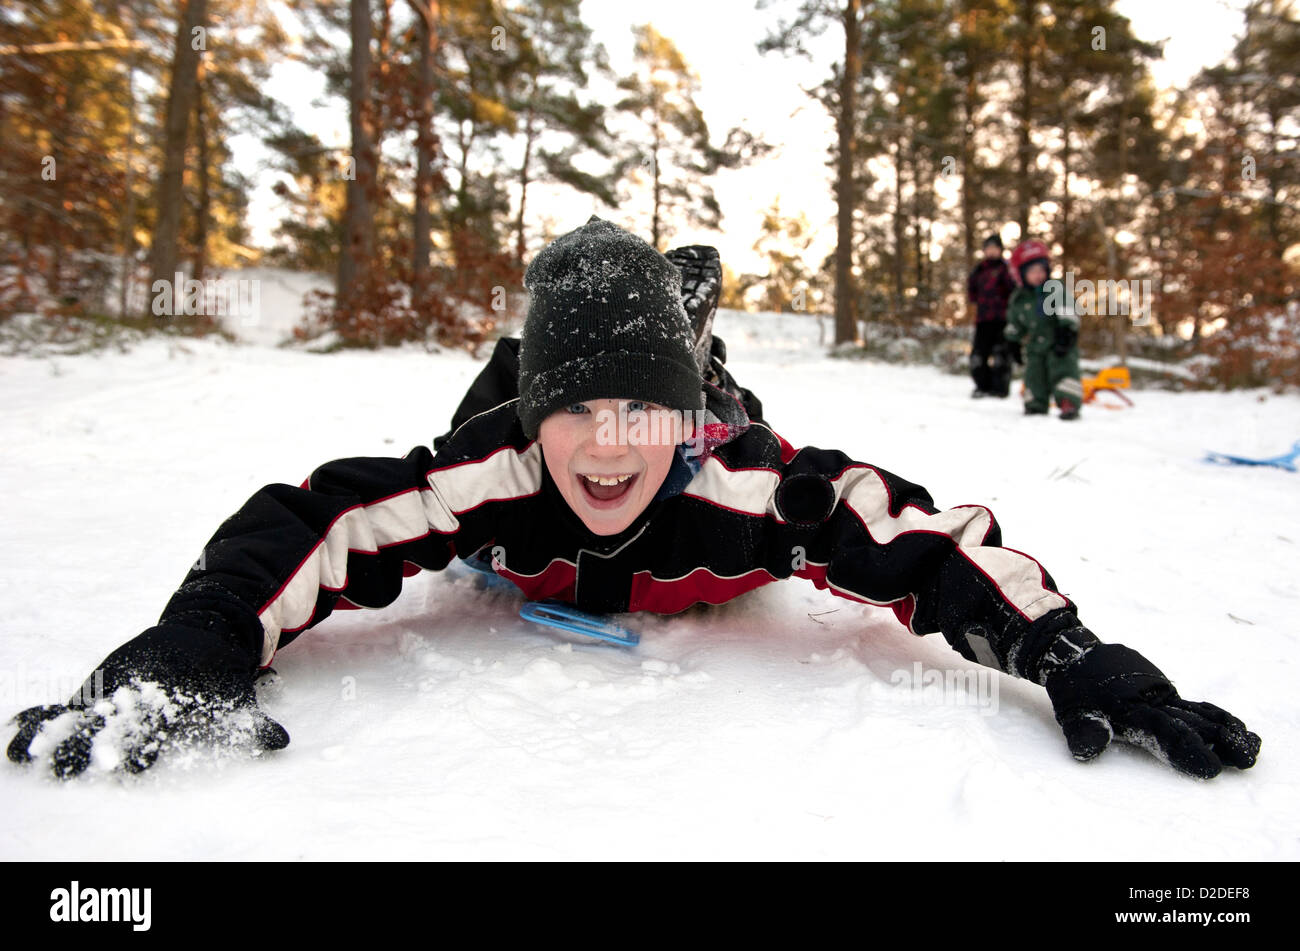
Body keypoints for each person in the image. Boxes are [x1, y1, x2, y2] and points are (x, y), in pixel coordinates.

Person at [7, 217, 1260, 781]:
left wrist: (1075, 656)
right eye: (578, 421)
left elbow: (923, 544)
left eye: (640, 420)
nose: (608, 449)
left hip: (704, 391)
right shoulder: (494, 465)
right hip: (510, 399)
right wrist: (205, 633)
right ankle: (592, 303)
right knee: (494, 389)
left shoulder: (746, 482)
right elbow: (316, 521)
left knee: (695, 379)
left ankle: (682, 313)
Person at [1004, 239, 1084, 420]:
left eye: (1041, 270)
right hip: (1035, 345)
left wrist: (1068, 331)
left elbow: (1068, 309)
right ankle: (1035, 404)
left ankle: (1068, 402)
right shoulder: (1019, 299)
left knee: (1064, 371)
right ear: (1021, 275)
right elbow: (1014, 323)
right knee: (1034, 375)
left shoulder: (1054, 289)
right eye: (1032, 271)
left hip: (1059, 340)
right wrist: (1012, 342)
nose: (1038, 275)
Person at [966, 234, 1016, 398]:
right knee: (978, 355)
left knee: (1002, 354)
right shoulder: (979, 269)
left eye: (995, 248)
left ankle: (1000, 388)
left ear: (1000, 250)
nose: (992, 252)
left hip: (1002, 319)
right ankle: (982, 386)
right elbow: (972, 292)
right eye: (989, 248)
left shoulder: (1006, 268)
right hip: (983, 319)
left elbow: (1013, 290)